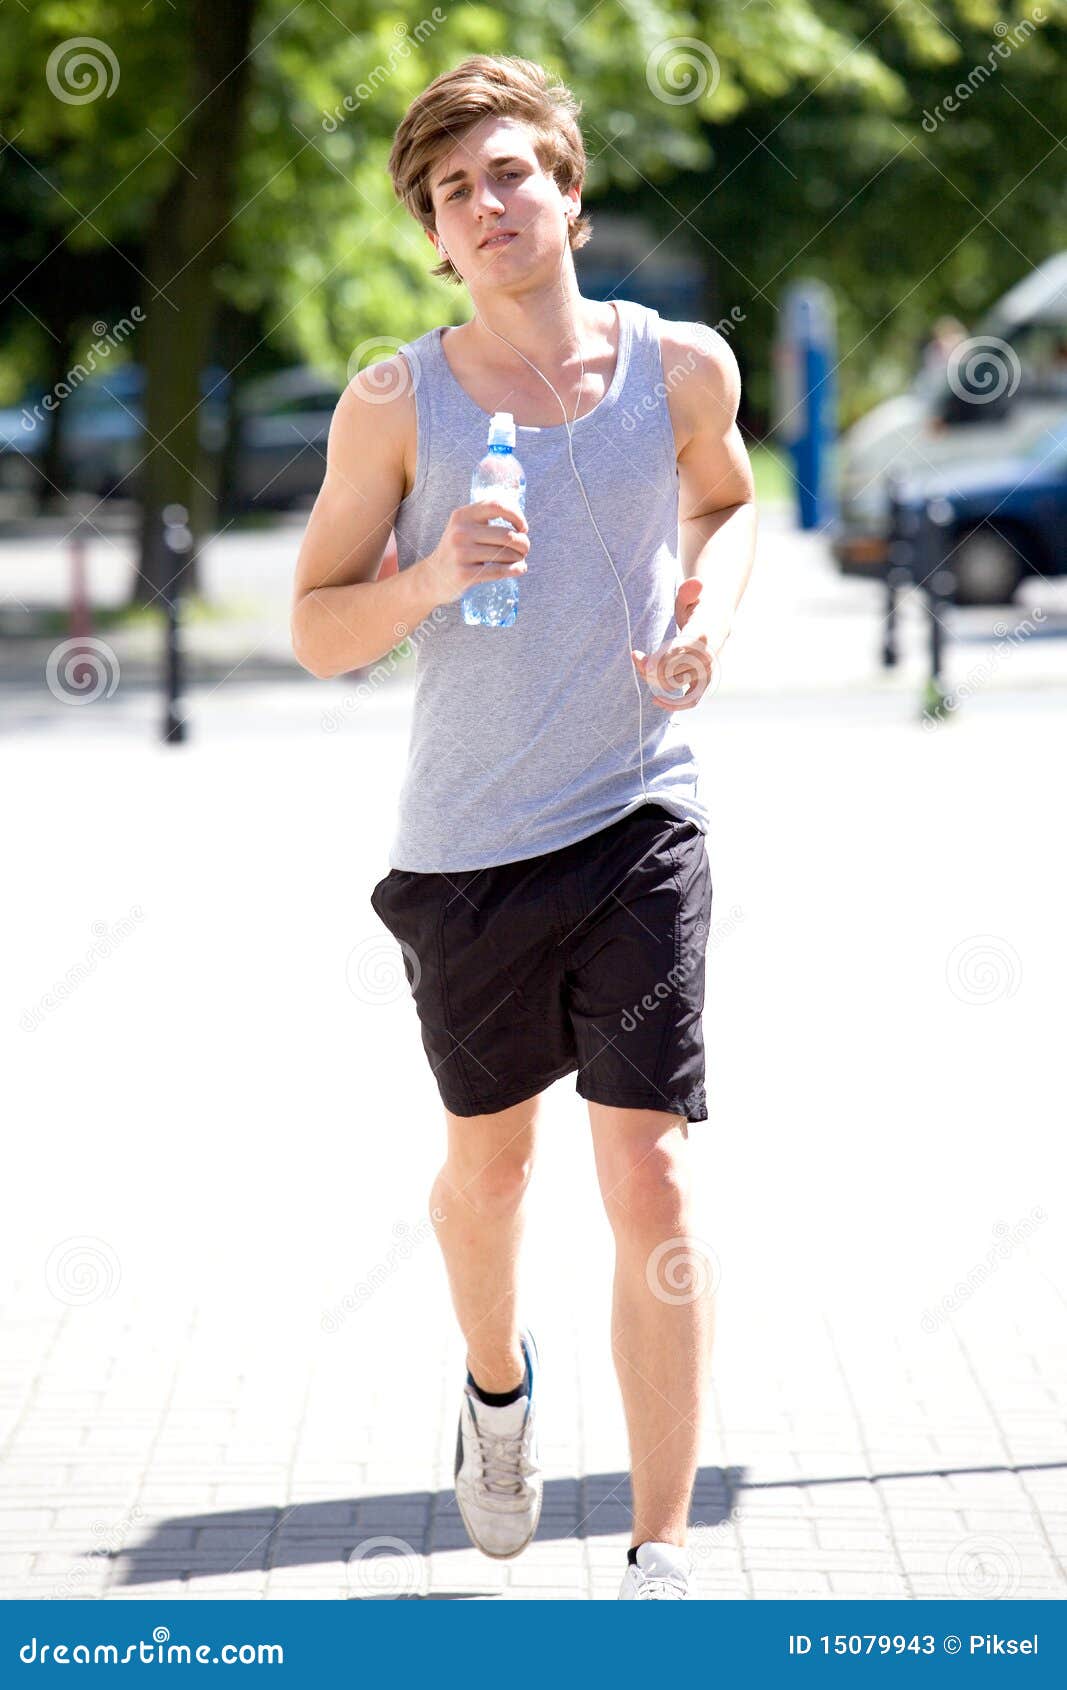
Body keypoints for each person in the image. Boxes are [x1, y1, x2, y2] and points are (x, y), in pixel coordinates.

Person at [291, 53, 757, 1600]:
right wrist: (428, 578)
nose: (484, 205)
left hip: (640, 817)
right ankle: (498, 1391)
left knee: (654, 1180)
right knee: (489, 1180)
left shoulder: (680, 365)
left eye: (508, 174)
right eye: (450, 191)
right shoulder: (395, 402)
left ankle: (660, 1551)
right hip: (468, 850)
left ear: (568, 188)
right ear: (433, 237)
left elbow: (730, 503)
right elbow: (312, 628)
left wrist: (709, 617)